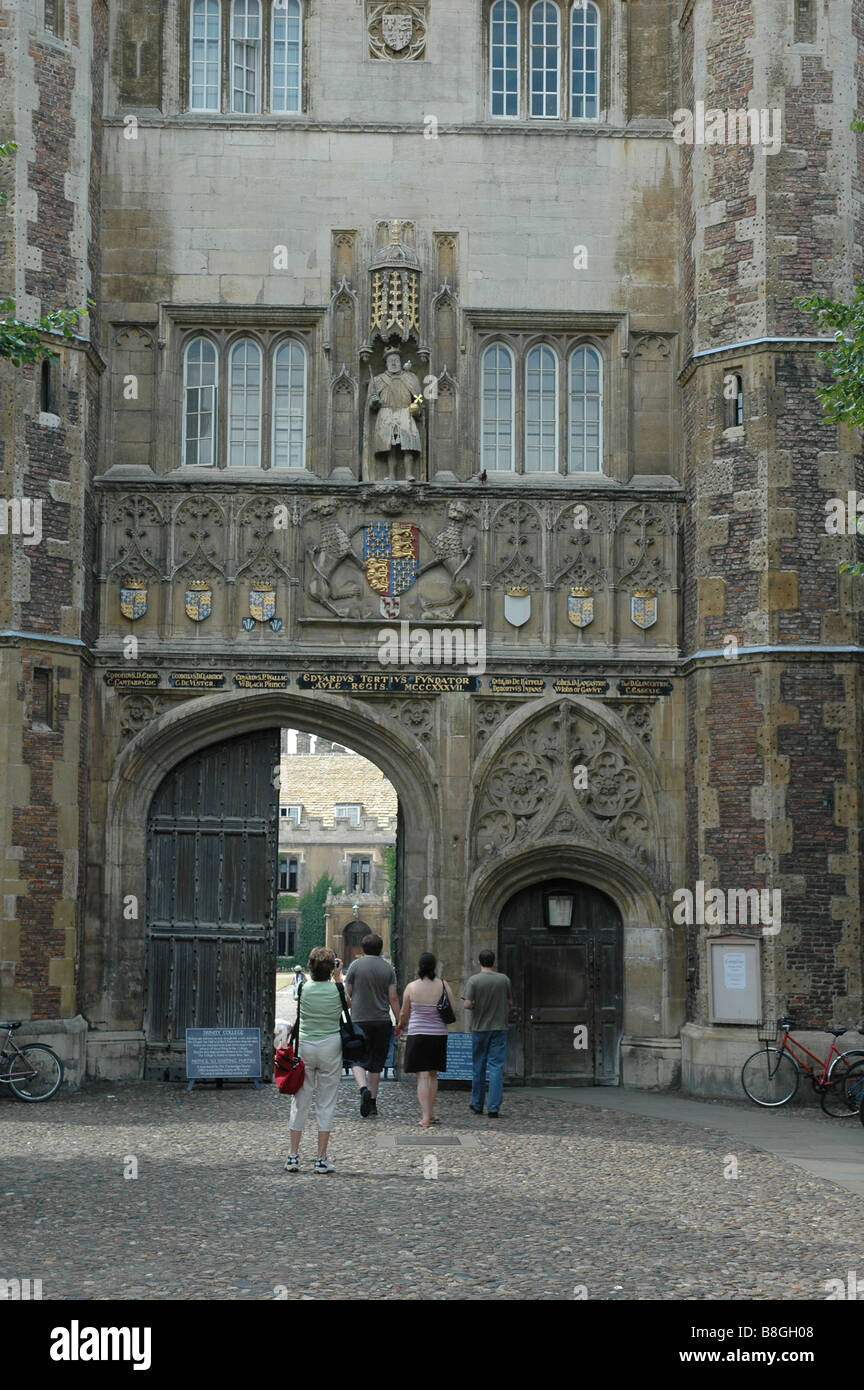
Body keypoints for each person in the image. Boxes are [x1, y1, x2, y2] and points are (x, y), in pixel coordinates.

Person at [284, 947, 343, 1174]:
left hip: (306, 1046)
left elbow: (302, 1002)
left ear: (309, 967)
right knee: (326, 1102)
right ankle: (320, 1158)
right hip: (330, 1046)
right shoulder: (337, 989)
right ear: (332, 969)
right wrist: (337, 977)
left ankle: (293, 1156)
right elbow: (346, 1006)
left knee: (300, 1101)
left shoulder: (302, 987)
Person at [344, 933, 401, 1117]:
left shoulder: (354, 966)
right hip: (382, 1021)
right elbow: (393, 997)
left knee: (356, 1059)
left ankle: (363, 1090)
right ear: (380, 947)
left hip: (359, 1020)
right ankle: (374, 1103)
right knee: (376, 1063)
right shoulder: (388, 969)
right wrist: (399, 1020)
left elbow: (348, 995)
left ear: (363, 948)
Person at [398, 952, 456, 1128]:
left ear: (419, 967)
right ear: (434, 967)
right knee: (433, 1075)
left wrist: (400, 1024)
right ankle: (430, 1112)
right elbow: (452, 1010)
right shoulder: (444, 985)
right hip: (438, 1035)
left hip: (418, 1036)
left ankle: (425, 1117)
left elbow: (404, 1013)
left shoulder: (411, 987)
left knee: (422, 1077)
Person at [463, 949, 512, 1118]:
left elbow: (467, 1004)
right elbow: (509, 1003)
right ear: (494, 962)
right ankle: (493, 1107)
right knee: (496, 1067)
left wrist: (477, 1006)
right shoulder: (503, 979)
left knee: (479, 1066)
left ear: (479, 962)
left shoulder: (474, 980)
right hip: (499, 1027)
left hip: (480, 1027)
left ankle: (477, 1103)